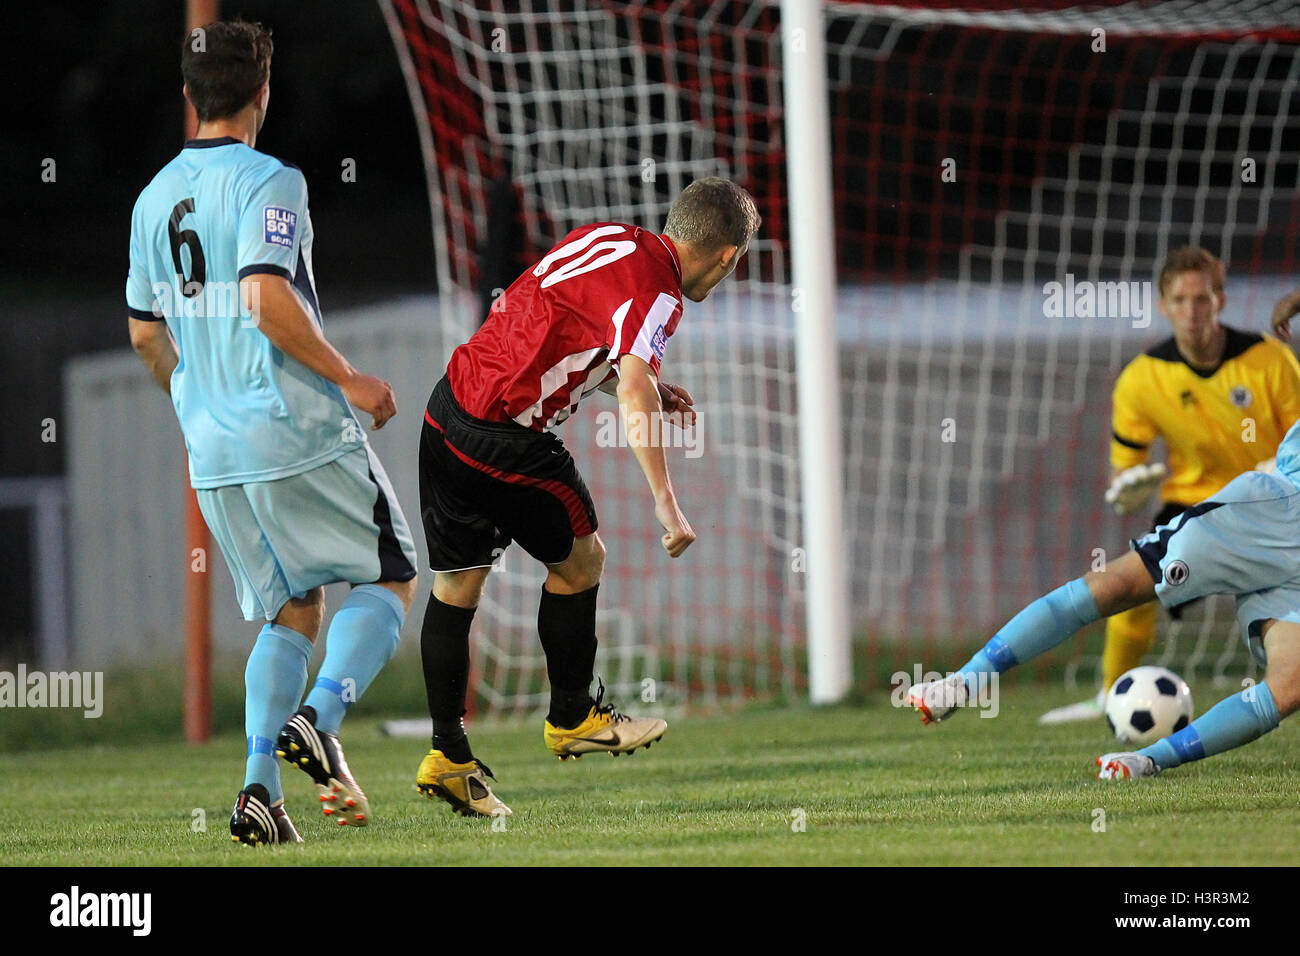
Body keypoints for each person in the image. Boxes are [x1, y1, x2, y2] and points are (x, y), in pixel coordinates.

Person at [127, 20, 418, 844]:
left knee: (291, 611)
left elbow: (147, 333)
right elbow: (263, 294)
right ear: (262, 93)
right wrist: (350, 378)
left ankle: (259, 789)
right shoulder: (271, 180)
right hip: (293, 427)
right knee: (392, 576)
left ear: (189, 98)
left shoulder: (151, 200)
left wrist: (192, 396)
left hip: (213, 449)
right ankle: (320, 719)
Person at [414, 178, 760, 817]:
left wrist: (633, 378)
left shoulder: (609, 236)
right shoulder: (660, 292)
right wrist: (666, 501)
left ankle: (448, 756)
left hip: (446, 411)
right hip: (507, 436)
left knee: (455, 586)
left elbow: (550, 329)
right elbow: (633, 389)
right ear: (728, 256)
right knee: (581, 561)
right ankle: (573, 717)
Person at [906, 291, 1300, 779]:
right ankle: (965, 683)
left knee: (1289, 686)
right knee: (1119, 587)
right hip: (1273, 514)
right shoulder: (1157, 374)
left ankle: (1147, 760)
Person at [1039, 247, 1300, 725]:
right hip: (1195, 504)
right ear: (1162, 305)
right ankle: (1107, 695)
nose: (1192, 311)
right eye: (1180, 300)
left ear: (1220, 300)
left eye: (1202, 298)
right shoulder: (1142, 379)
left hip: (1276, 499)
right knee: (1127, 587)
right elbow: (1126, 469)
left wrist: (1278, 469)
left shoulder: (1270, 361)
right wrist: (1127, 492)